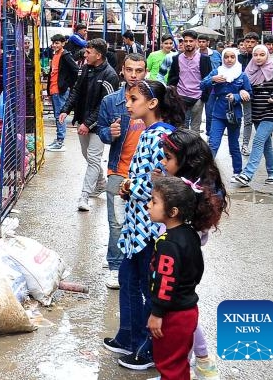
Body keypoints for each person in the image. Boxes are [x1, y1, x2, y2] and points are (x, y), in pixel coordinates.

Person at [103, 78, 185, 372]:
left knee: (150, 289)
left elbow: (161, 181)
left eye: (133, 99)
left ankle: (150, 348)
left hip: (152, 229)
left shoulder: (163, 137)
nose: (127, 105)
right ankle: (129, 335)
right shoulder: (148, 131)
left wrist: (128, 185)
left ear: (152, 104)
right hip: (137, 224)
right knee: (128, 278)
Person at [159, 129, 229, 380]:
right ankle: (195, 363)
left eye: (167, 158)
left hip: (178, 268)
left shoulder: (190, 197)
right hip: (184, 266)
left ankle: (201, 361)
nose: (163, 162)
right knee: (183, 315)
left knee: (179, 315)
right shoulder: (194, 189)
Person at [145, 176, 206, 380]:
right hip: (188, 310)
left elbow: (165, 281)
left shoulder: (168, 243)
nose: (148, 205)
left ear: (173, 212)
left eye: (154, 201)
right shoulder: (190, 234)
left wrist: (157, 313)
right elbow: (198, 270)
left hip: (172, 316)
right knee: (178, 363)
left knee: (169, 365)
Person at [95, 53, 147, 290]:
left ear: (145, 72)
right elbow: (103, 132)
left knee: (145, 220)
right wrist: (110, 133)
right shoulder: (111, 102)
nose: (134, 75)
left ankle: (141, 265)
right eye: (129, 70)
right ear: (122, 71)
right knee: (116, 222)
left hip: (146, 174)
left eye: (139, 70)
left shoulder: (153, 98)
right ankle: (116, 267)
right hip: (119, 170)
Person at [58, 38, 120, 212]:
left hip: (99, 126)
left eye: (88, 52)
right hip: (82, 121)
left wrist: (88, 123)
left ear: (98, 55)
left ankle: (84, 195)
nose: (85, 55)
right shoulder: (85, 69)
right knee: (87, 156)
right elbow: (76, 90)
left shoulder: (110, 76)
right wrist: (66, 109)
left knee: (93, 159)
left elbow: (105, 105)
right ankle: (101, 183)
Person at [234, 44, 273, 187]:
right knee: (266, 145)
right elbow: (241, 87)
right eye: (255, 55)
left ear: (267, 55)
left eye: (262, 55)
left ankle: (247, 174)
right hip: (256, 113)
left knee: (258, 141)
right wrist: (241, 92)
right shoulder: (248, 71)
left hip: (271, 112)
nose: (258, 57)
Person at [200, 47, 251, 178]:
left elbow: (249, 93)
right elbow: (202, 84)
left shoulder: (242, 74)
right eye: (226, 57)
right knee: (213, 143)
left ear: (236, 58)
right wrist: (213, 79)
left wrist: (238, 96)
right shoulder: (217, 71)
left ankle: (237, 172)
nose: (229, 59)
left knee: (234, 145)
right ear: (223, 58)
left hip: (235, 114)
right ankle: (205, 173)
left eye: (232, 57)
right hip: (218, 113)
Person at [166, 29, 213, 131]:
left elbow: (209, 79)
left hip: (198, 98)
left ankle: (194, 147)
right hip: (181, 97)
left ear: (196, 42)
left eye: (191, 41)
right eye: (186, 41)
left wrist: (203, 97)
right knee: (181, 127)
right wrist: (173, 94)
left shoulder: (204, 59)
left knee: (195, 129)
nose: (188, 44)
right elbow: (171, 77)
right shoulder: (176, 58)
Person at [47, 34, 79, 151]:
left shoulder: (65, 55)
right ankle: (59, 139)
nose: (55, 45)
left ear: (63, 43)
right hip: (54, 90)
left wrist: (67, 84)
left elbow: (75, 70)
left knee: (59, 116)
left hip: (60, 90)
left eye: (57, 43)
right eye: (54, 43)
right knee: (57, 116)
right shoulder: (55, 55)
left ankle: (60, 141)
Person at [237, 32, 259, 153]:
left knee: (249, 119)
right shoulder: (238, 58)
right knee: (237, 118)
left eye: (252, 42)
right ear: (244, 43)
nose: (250, 44)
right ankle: (240, 144)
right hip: (239, 92)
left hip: (256, 93)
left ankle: (246, 144)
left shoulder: (260, 57)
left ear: (257, 43)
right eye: (248, 42)